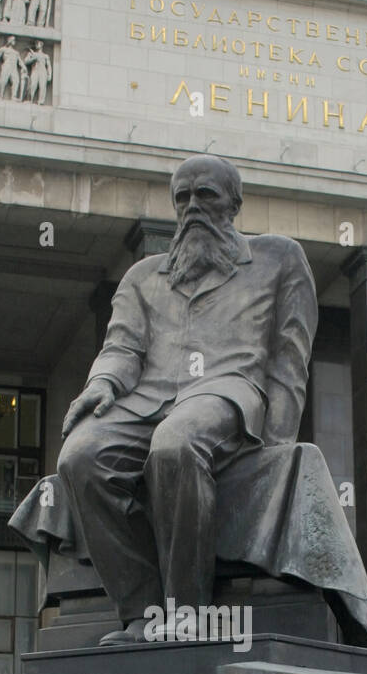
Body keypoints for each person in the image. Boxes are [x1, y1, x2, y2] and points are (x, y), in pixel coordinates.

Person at [56, 155, 320, 643]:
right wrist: (102, 385)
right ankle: (143, 611)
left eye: (206, 195)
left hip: (227, 390)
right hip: (147, 399)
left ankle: (187, 612)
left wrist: (279, 442)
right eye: (182, 198)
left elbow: (290, 355)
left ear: (234, 203)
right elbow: (122, 346)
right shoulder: (143, 276)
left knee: (176, 442)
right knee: (80, 457)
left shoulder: (279, 258)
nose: (192, 206)